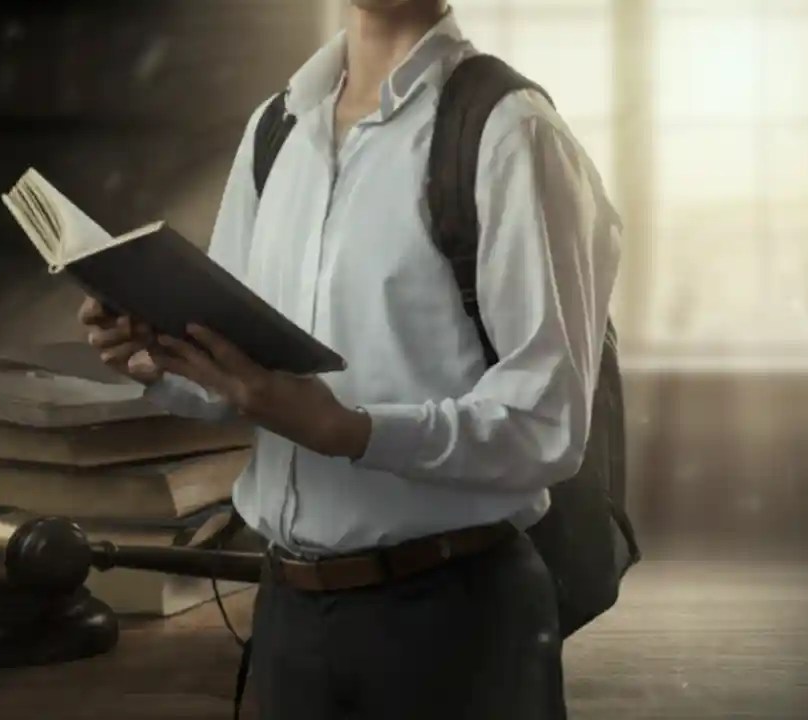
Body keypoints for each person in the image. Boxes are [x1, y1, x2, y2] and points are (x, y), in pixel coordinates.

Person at [79, 1, 620, 717]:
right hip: (287, 620)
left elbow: (547, 423)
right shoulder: (277, 128)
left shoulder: (509, 131)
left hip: (456, 619)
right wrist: (156, 355)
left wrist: (348, 430)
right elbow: (239, 375)